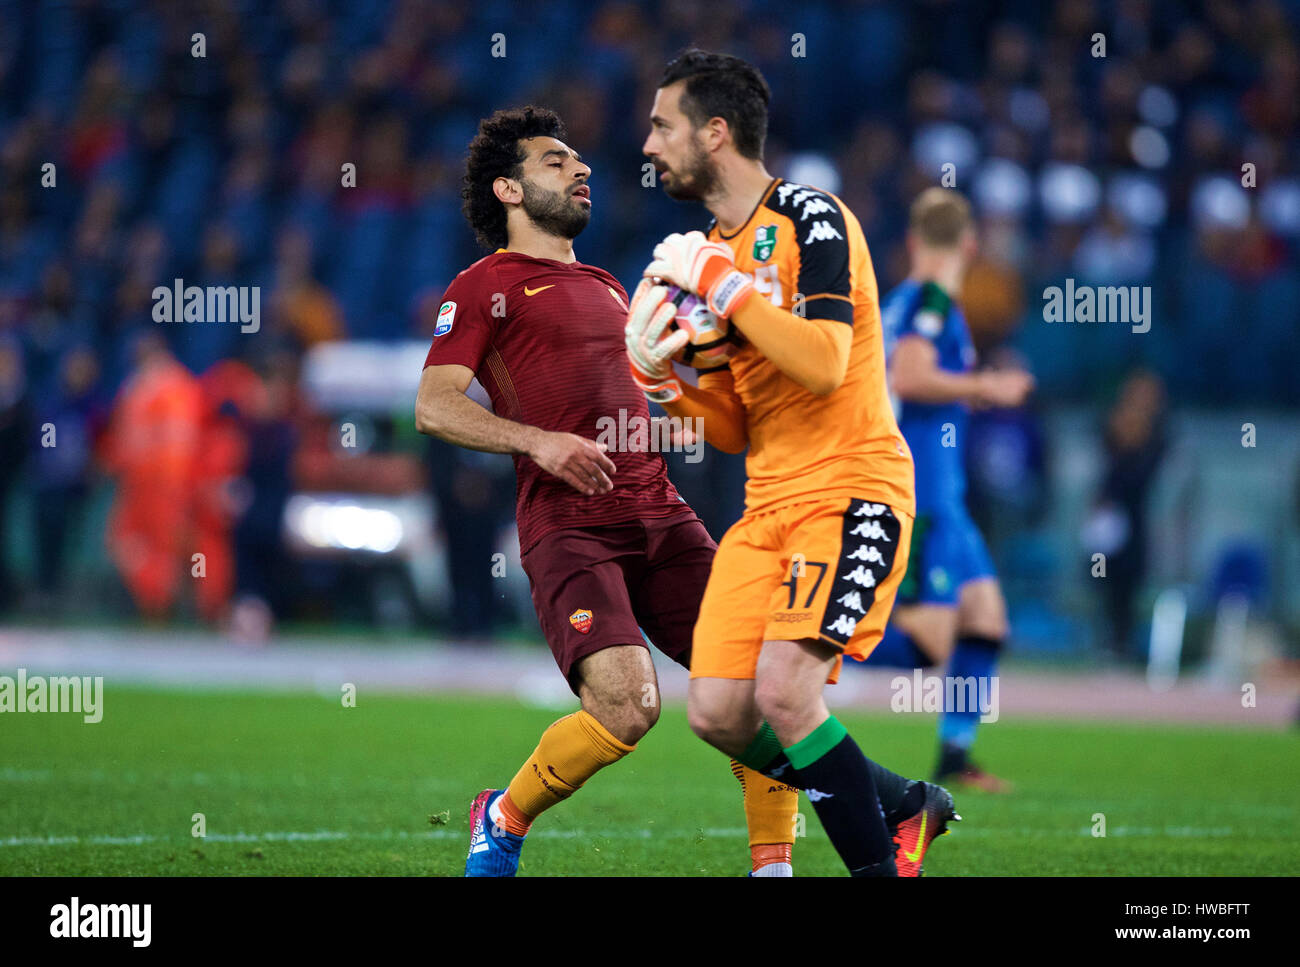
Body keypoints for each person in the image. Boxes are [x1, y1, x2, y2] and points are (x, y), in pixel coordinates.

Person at [414, 106, 797, 877]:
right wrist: (538, 441)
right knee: (628, 707)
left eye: (581, 160)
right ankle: (502, 814)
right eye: (556, 162)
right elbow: (434, 403)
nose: (581, 168)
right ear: (510, 189)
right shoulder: (484, 284)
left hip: (660, 511)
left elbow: (638, 397)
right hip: (571, 527)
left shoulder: (611, 285)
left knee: (764, 690)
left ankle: (773, 869)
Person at [630, 49, 955, 876]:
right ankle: (904, 802)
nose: (648, 143)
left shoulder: (811, 217)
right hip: (766, 504)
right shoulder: (707, 254)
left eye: (663, 125)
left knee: (784, 692)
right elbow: (733, 424)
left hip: (851, 489)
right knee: (717, 711)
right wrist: (662, 385)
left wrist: (726, 289)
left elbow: (824, 362)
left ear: (716, 131)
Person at [868, 188, 1034, 791]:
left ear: (913, 240)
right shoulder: (932, 299)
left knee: (986, 620)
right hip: (925, 493)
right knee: (929, 642)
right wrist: (985, 386)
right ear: (970, 244)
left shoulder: (901, 300)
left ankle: (955, 758)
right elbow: (908, 375)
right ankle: (807, 647)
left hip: (947, 495)